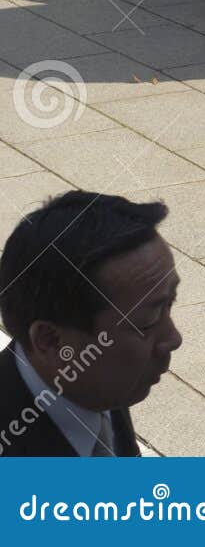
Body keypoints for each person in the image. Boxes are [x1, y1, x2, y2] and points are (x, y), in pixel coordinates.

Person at [0, 191, 182, 458]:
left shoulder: (93, 385)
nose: (174, 338)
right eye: (147, 321)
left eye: (170, 303)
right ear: (51, 340)